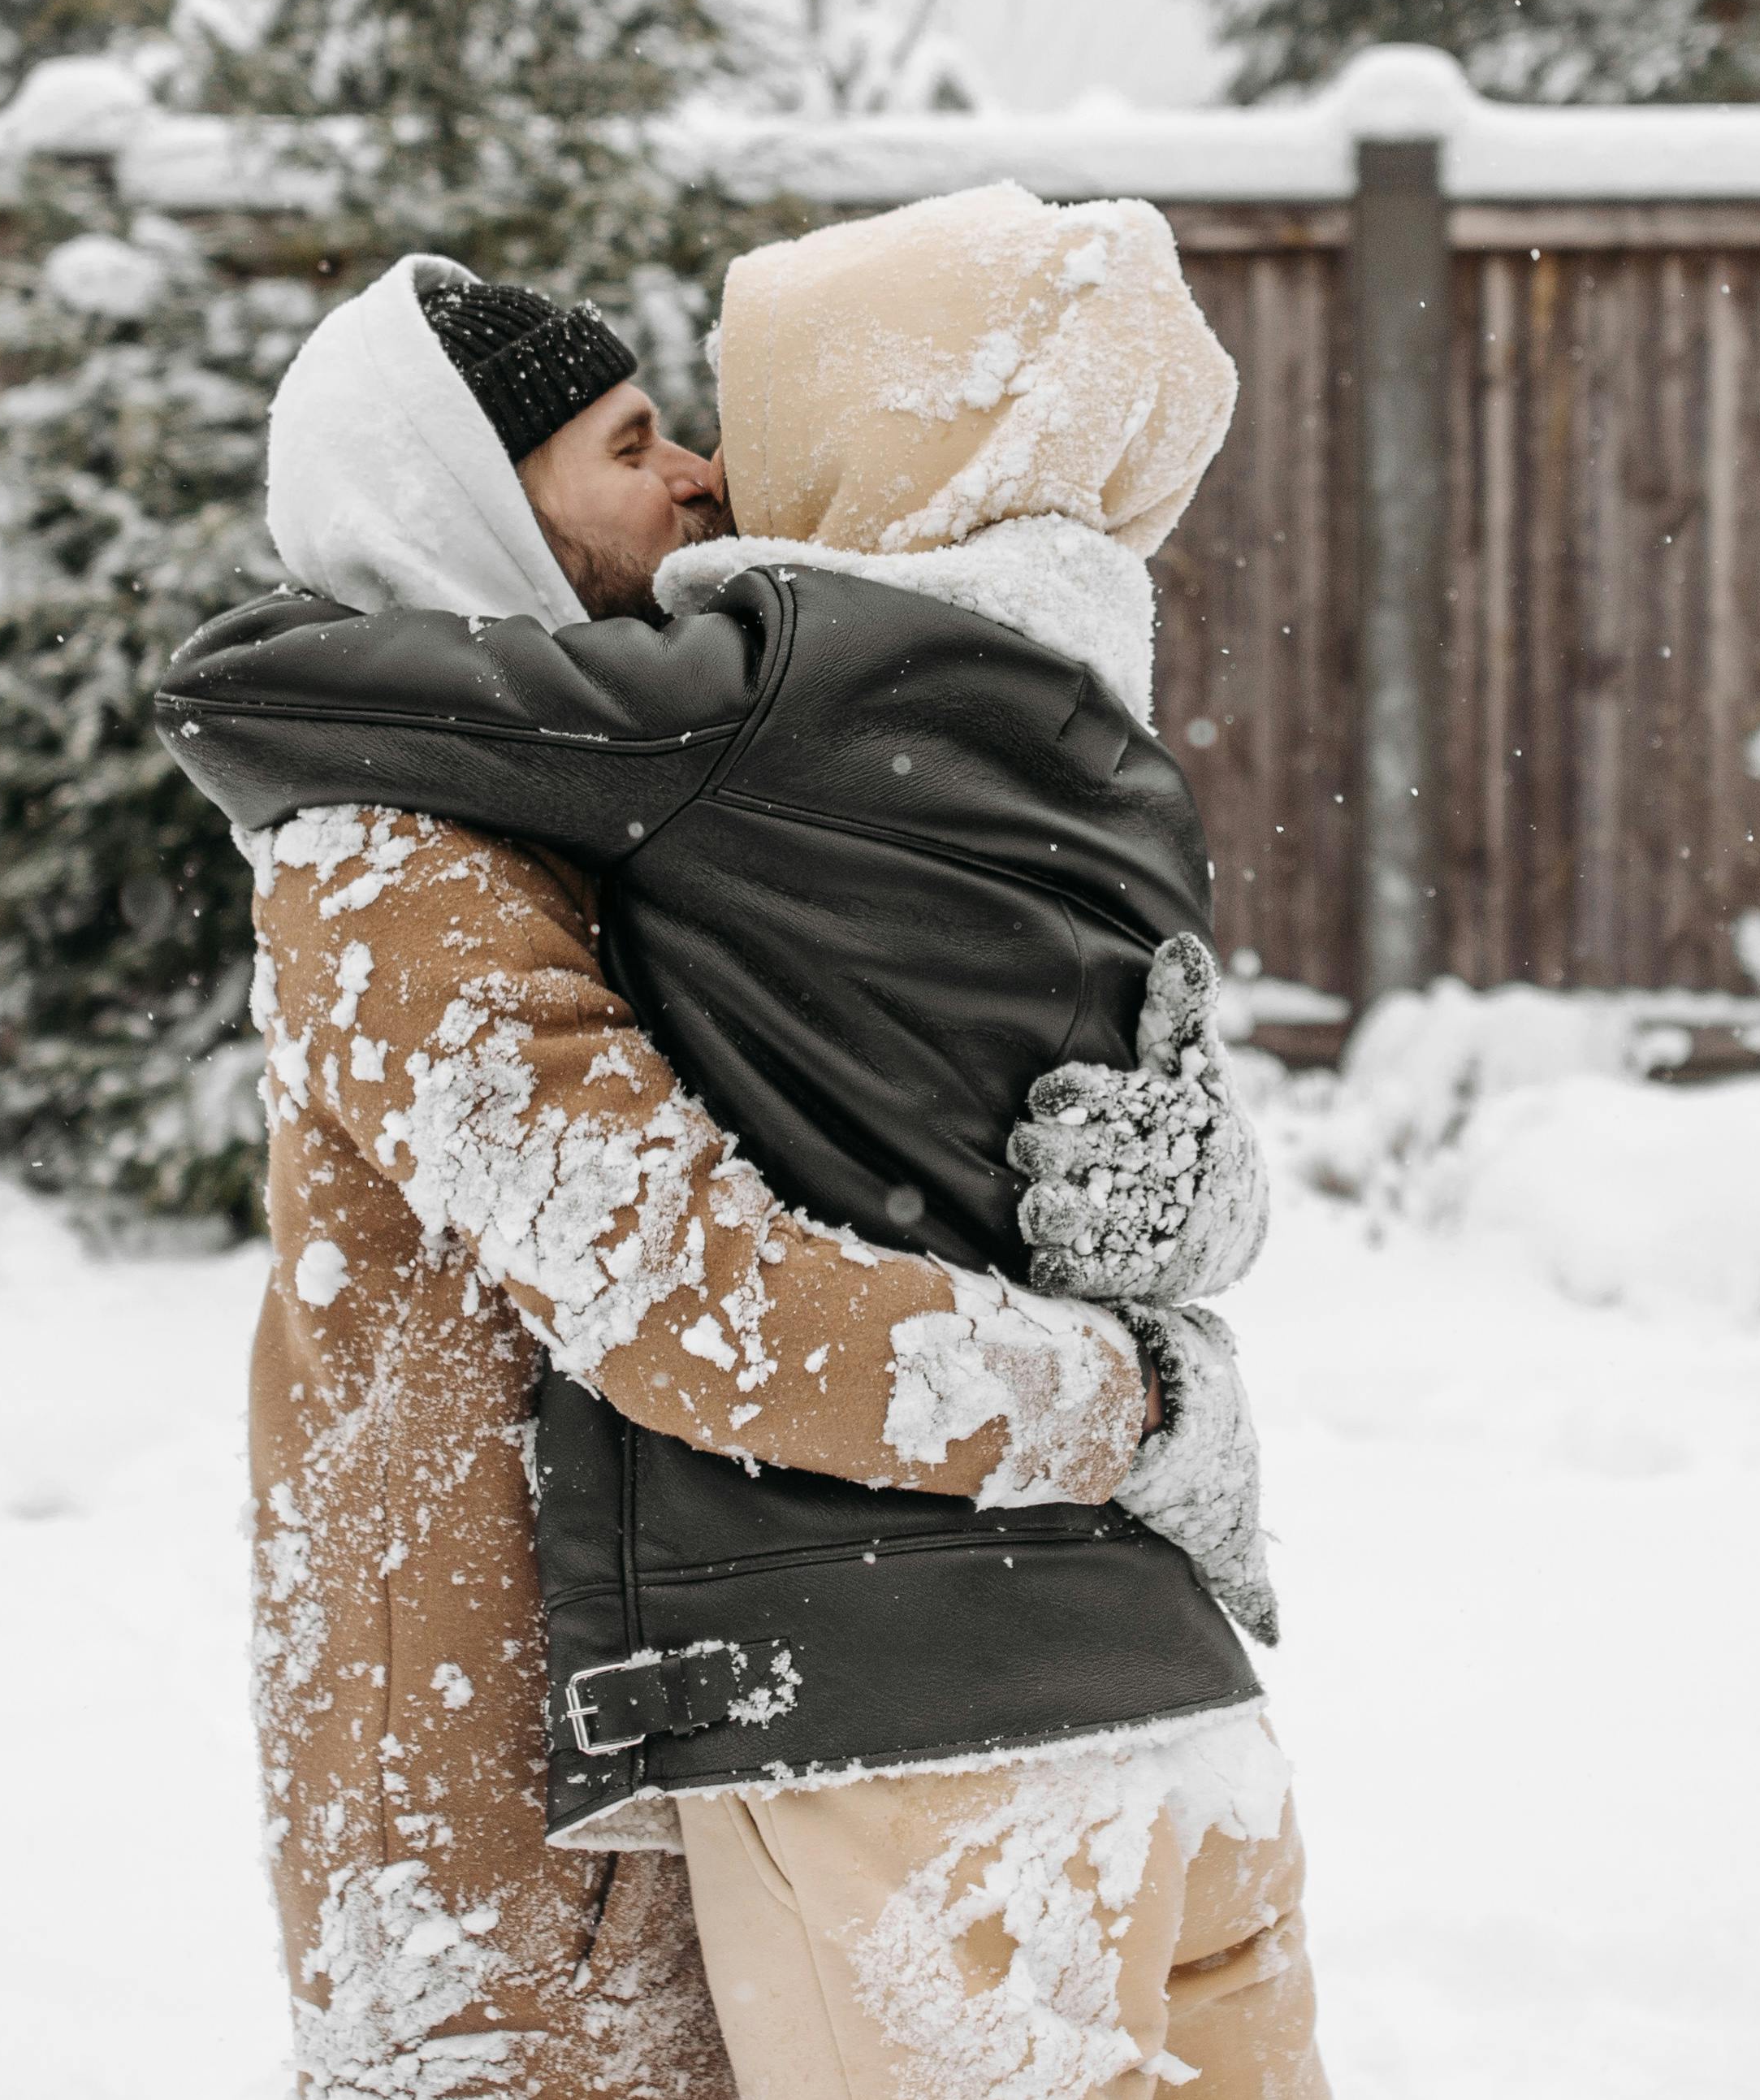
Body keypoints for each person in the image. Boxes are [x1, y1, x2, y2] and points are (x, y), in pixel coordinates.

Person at [162, 188, 1320, 2100]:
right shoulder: (390, 869)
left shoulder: (668, 809)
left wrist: (1184, 1184)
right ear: (468, 505)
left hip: (721, 1709)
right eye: (628, 447)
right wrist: (1123, 1407)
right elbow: (697, 1299)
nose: (701, 477)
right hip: (517, 1791)